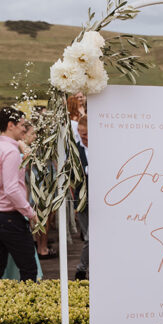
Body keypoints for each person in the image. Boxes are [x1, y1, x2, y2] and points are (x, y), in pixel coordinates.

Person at [0, 106, 40, 281]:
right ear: (10, 125)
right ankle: (27, 306)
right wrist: (30, 213)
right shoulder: (11, 152)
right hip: (9, 218)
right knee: (29, 269)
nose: (24, 128)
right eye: (22, 124)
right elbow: (12, 189)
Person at [71, 115, 90, 280]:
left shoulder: (103, 147)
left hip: (103, 201)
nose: (86, 137)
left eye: (88, 134)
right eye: (83, 134)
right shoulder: (75, 151)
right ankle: (81, 270)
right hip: (83, 200)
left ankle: (81, 269)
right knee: (89, 237)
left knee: (95, 237)